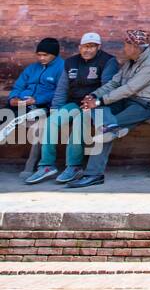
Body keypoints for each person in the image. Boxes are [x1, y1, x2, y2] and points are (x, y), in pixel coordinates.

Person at [70, 30, 150, 189]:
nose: (124, 48)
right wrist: (93, 96)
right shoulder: (131, 61)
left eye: (126, 45)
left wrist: (100, 101)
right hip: (127, 100)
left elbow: (129, 88)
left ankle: (93, 174)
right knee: (93, 110)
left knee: (105, 131)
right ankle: (111, 126)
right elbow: (114, 83)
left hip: (145, 105)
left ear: (136, 46)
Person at [25, 33, 117, 185]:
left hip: (95, 106)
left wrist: (93, 100)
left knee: (80, 122)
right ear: (79, 47)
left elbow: (108, 86)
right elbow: (62, 87)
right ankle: (47, 166)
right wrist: (55, 108)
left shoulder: (108, 61)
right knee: (51, 122)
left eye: (92, 46)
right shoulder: (71, 62)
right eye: (85, 46)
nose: (88, 50)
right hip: (74, 103)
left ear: (98, 47)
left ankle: (74, 166)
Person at [1, 38, 66, 143]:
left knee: (12, 119)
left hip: (41, 105)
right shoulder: (32, 67)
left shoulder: (62, 68)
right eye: (39, 55)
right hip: (21, 102)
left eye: (45, 55)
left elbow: (61, 92)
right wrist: (13, 97)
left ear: (54, 54)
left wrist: (36, 100)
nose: (41, 58)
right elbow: (19, 85)